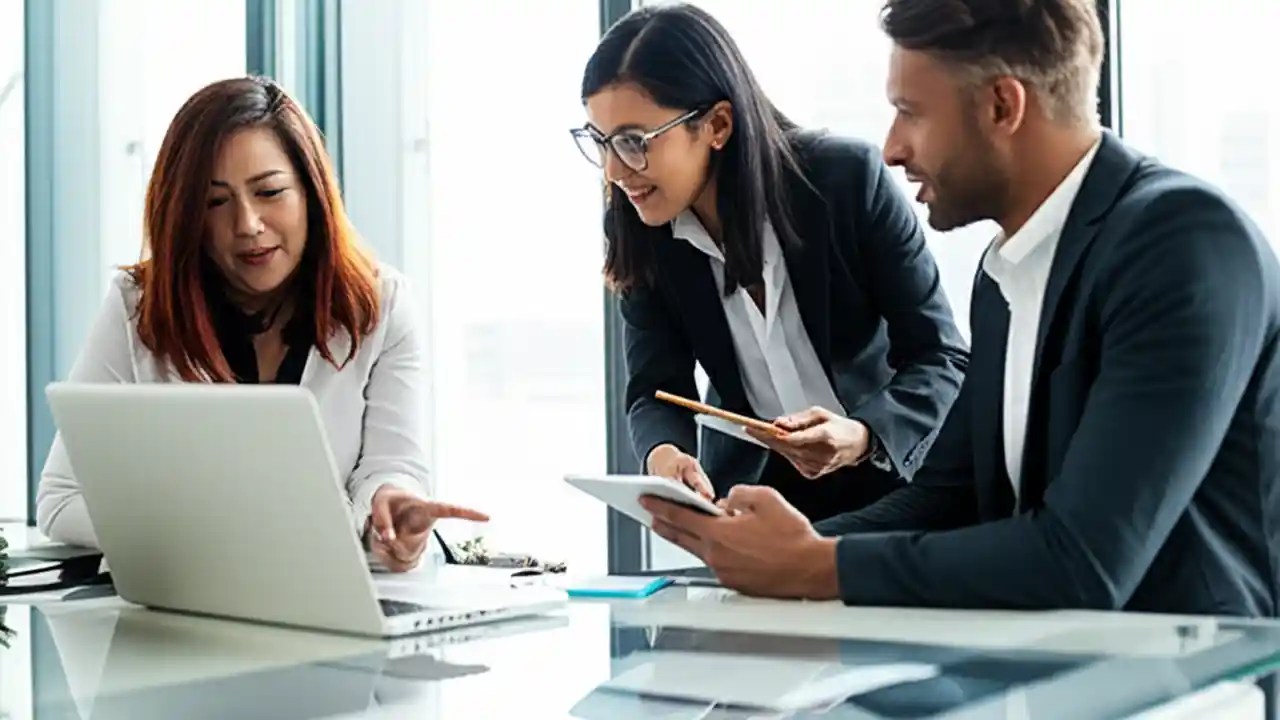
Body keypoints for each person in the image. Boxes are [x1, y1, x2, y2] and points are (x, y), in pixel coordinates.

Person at [643, 0, 1280, 618]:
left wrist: (815, 565)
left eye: (910, 113)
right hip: (1057, 661)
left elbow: (1083, 560)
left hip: (1197, 672)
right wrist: (761, 551)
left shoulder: (1183, 243)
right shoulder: (1004, 272)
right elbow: (946, 500)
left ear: (1003, 105)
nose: (892, 148)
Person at [36, 77, 486, 573]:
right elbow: (61, 499)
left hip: (330, 596)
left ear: (311, 192)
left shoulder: (380, 306)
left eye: (269, 192)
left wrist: (389, 513)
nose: (247, 224)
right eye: (215, 202)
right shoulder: (139, 306)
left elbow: (390, 468)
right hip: (182, 603)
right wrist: (206, 534)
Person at [574, 3, 968, 522]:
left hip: (893, 480)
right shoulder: (641, 227)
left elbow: (941, 356)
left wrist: (862, 434)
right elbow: (654, 388)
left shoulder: (845, 182)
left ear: (717, 125)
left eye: (632, 142)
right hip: (757, 493)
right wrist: (665, 453)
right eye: (600, 141)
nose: (613, 170)